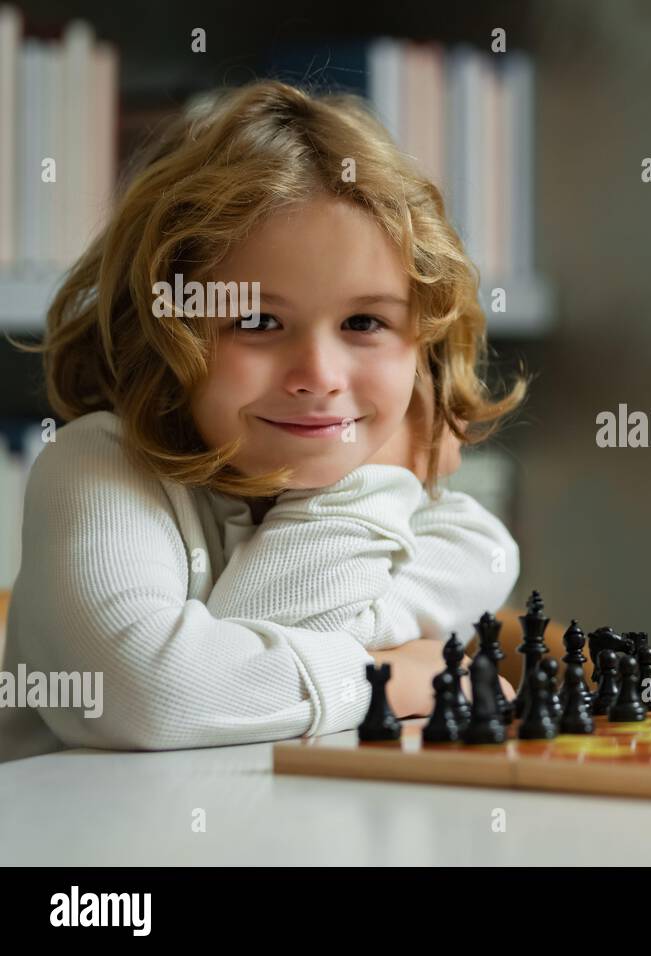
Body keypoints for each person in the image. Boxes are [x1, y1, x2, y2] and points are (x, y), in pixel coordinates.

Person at [0, 81, 525, 762]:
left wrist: (375, 473)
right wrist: (384, 678)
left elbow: (267, 628)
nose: (319, 373)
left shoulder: (463, 541)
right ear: (161, 331)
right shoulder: (97, 467)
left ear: (422, 347)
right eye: (256, 321)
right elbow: (152, 696)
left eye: (365, 322)